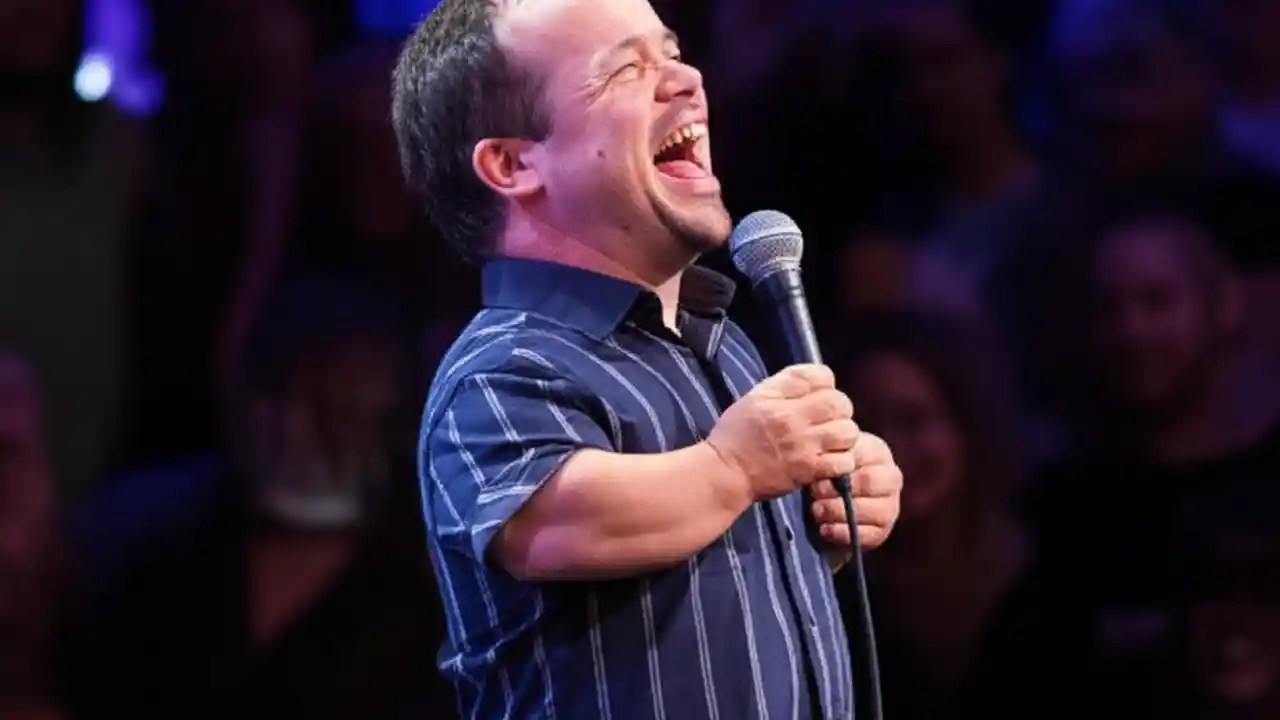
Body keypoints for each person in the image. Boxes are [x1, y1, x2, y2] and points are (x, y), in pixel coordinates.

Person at [390, 0, 905, 718]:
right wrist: (733, 469)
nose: (686, 78)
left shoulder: (724, 344)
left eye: (670, 52)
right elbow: (561, 528)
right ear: (512, 163)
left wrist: (826, 514)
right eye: (625, 70)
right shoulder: (503, 368)